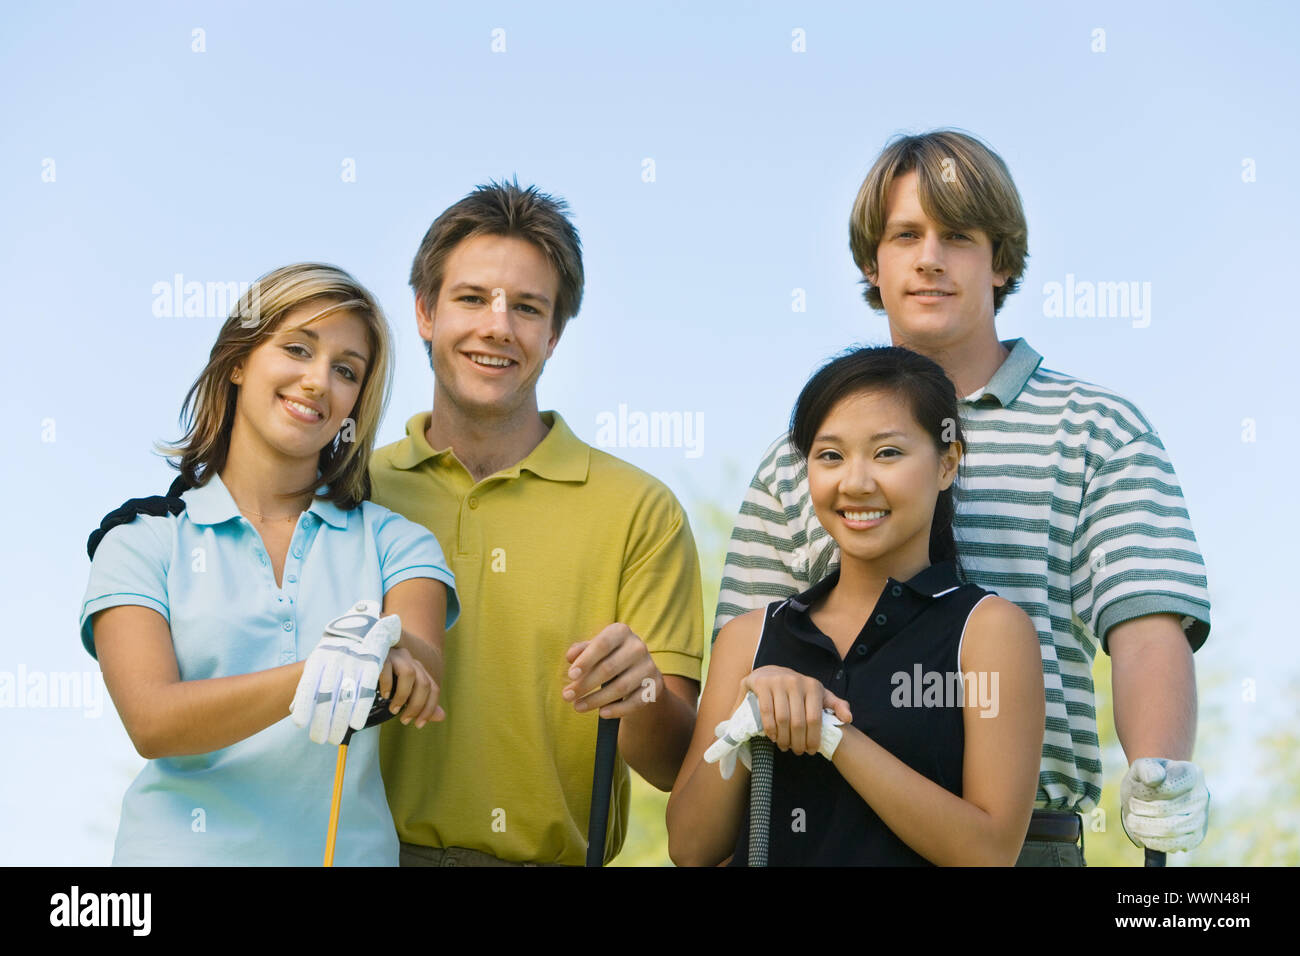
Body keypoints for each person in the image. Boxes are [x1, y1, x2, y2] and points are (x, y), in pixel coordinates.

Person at [714, 130, 1212, 865]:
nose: (929, 258)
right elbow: (747, 665)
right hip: (822, 832)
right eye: (906, 234)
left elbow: (1144, 624)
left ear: (1001, 260)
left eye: (958, 235)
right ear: (870, 263)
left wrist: (1161, 768)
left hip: (1021, 839)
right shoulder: (799, 456)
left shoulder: (1097, 429)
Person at [369, 179, 705, 866]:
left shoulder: (640, 510)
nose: (498, 327)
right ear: (425, 311)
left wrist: (638, 691)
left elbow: (674, 766)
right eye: (471, 299)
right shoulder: (355, 490)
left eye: (527, 308)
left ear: (553, 335)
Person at [79, 263, 458, 866]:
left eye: (345, 370)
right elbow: (153, 720)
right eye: (297, 349)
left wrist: (391, 659)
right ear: (237, 361)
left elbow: (420, 663)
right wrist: (326, 668)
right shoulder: (141, 541)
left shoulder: (397, 543)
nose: (316, 381)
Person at [667, 346, 1044, 865]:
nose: (856, 482)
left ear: (946, 464)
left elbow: (989, 852)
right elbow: (689, 848)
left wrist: (830, 735)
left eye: (888, 453)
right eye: (830, 456)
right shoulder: (749, 638)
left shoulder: (988, 630)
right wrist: (746, 721)